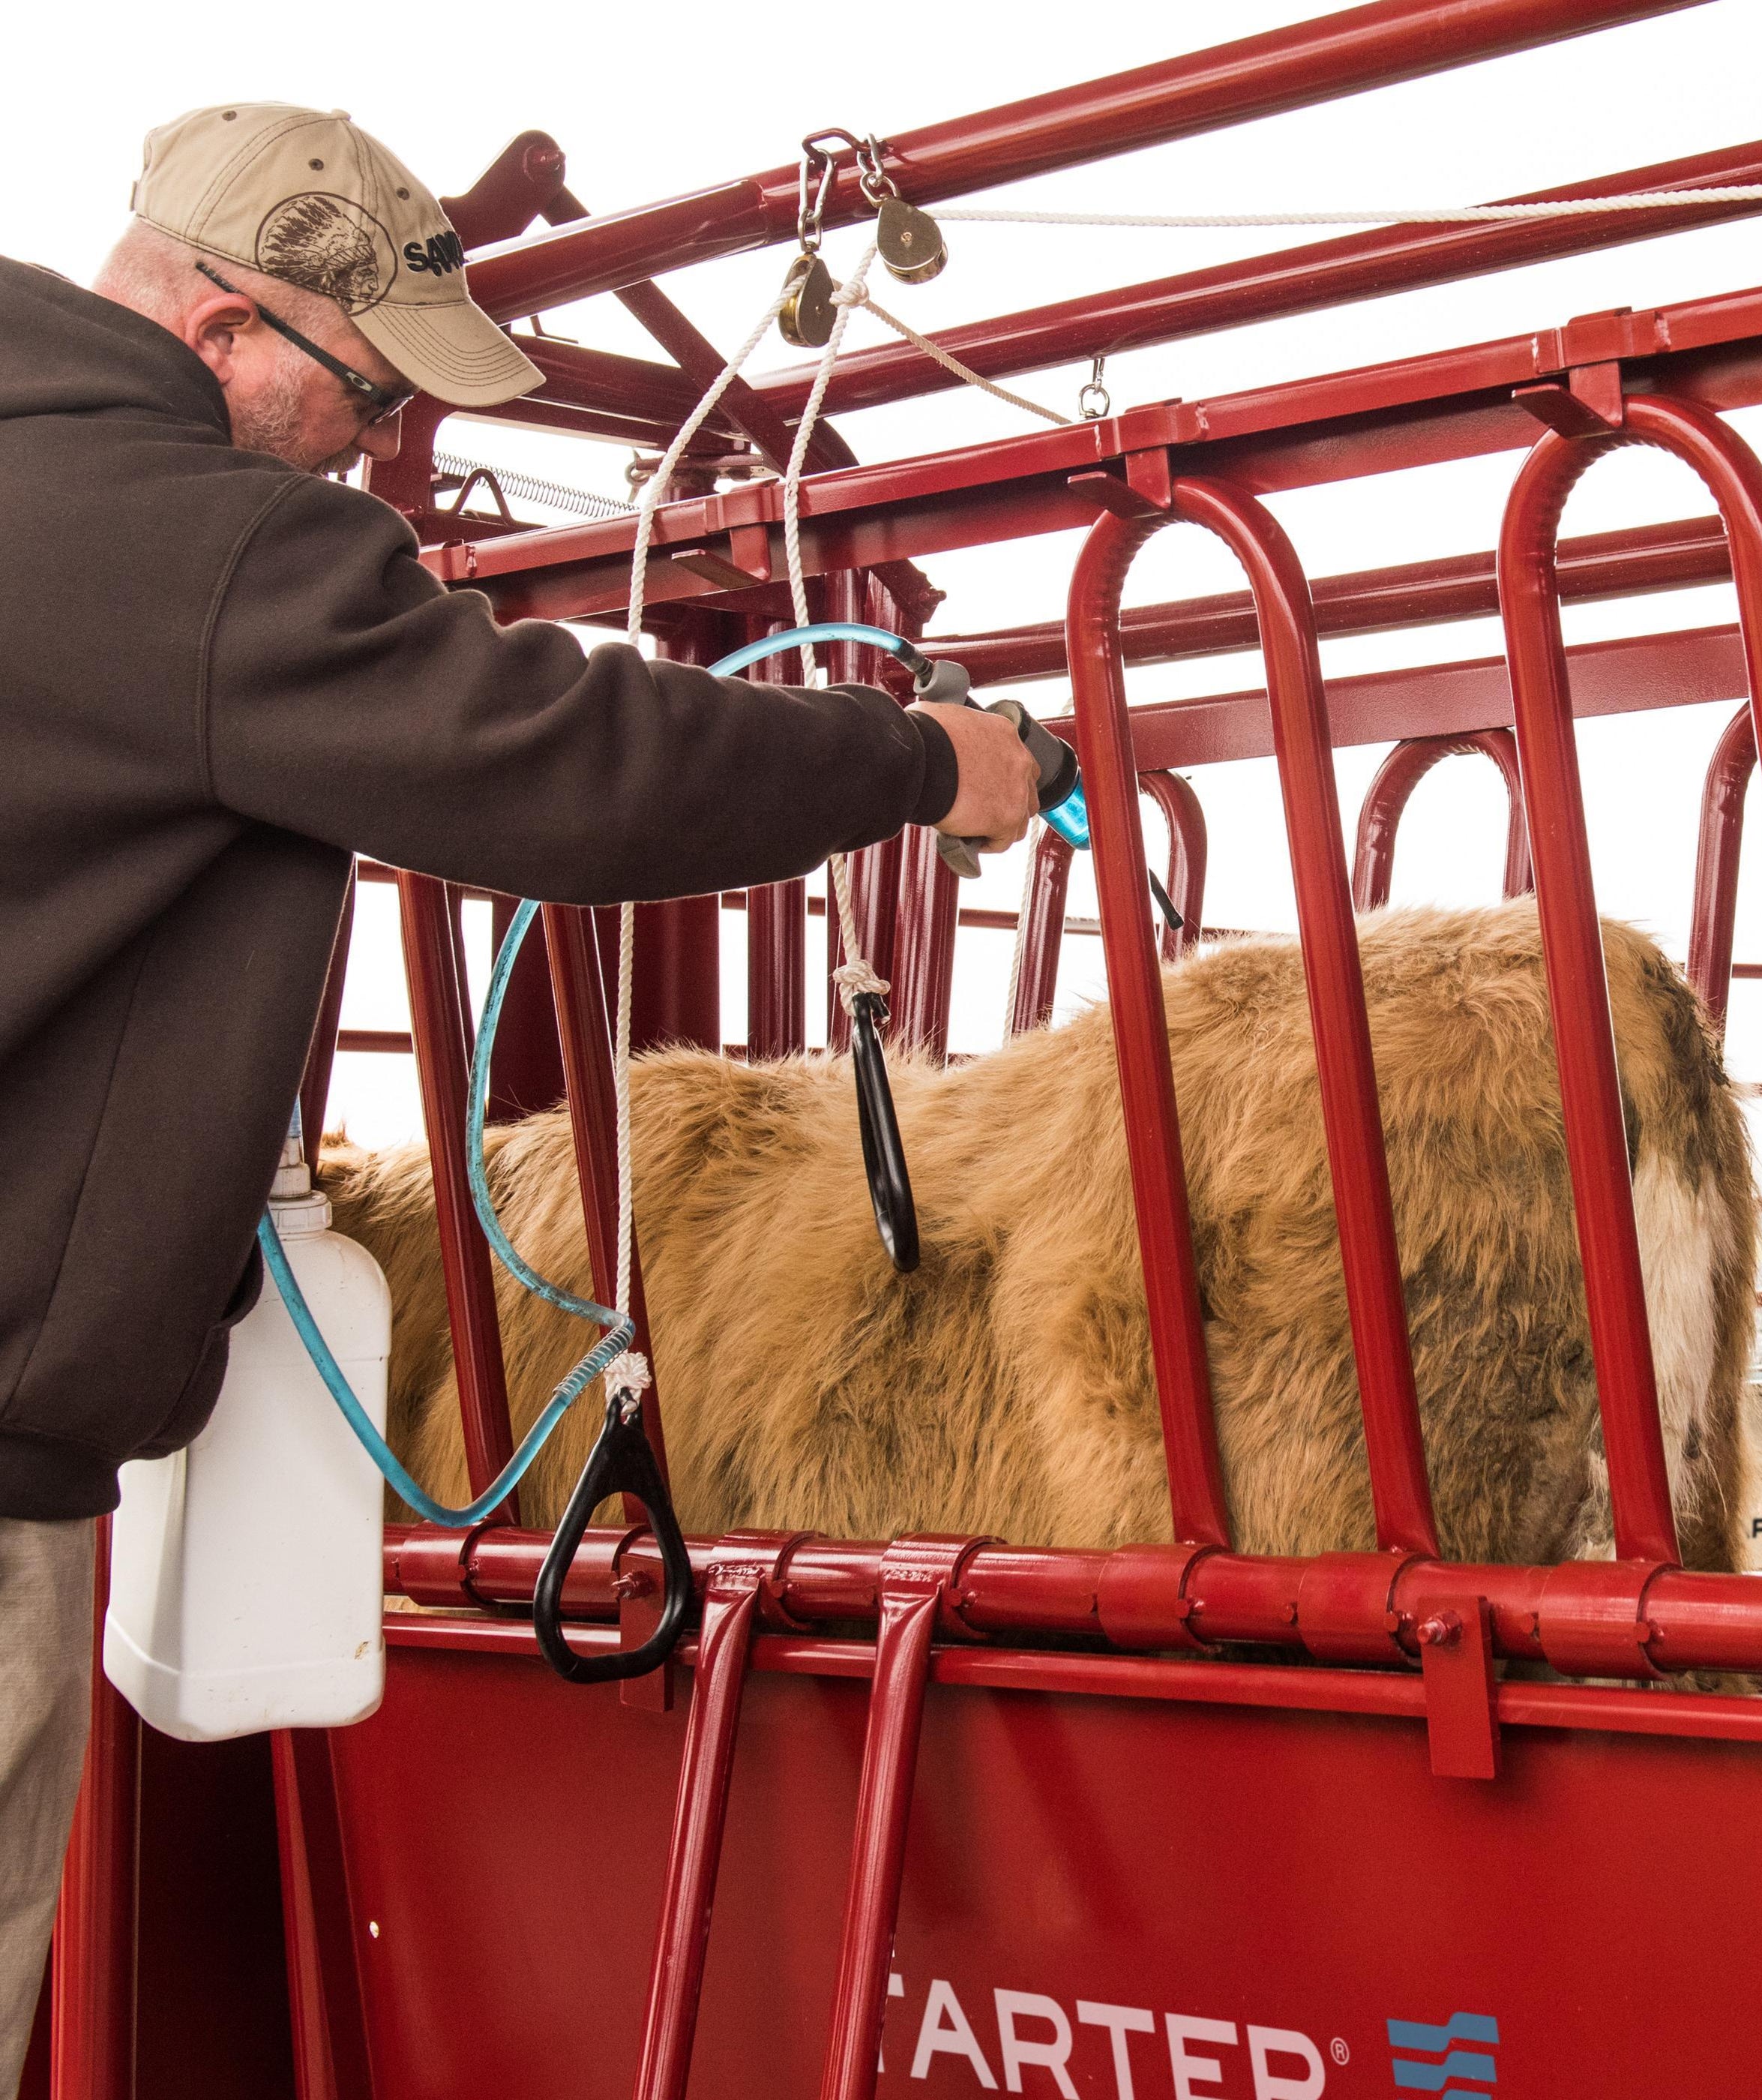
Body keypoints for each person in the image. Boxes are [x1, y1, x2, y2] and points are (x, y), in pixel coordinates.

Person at [0, 102, 1038, 2084]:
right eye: (369, 392)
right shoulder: (196, 547)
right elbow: (572, 762)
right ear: (228, 327)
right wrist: (916, 766)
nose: (379, 456)